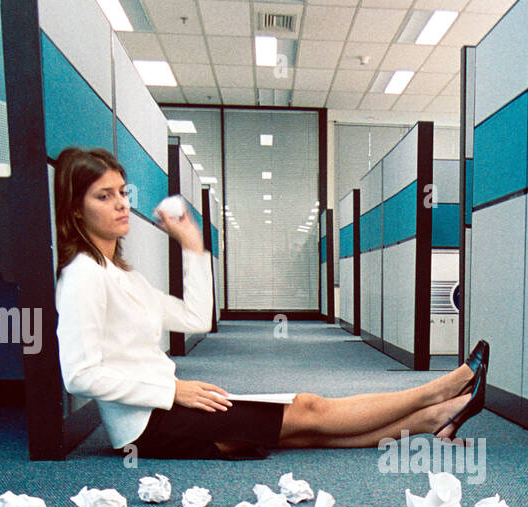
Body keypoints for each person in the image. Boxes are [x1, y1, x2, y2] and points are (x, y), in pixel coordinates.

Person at [53, 147, 487, 460]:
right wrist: (173, 391)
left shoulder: (121, 274)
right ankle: (442, 389)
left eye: (121, 192)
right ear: (76, 210)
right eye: (103, 196)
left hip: (168, 406)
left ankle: (435, 418)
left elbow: (195, 318)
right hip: (148, 423)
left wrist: (192, 247)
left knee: (303, 433)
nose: (122, 204)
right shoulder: (81, 277)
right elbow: (78, 375)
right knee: (310, 409)